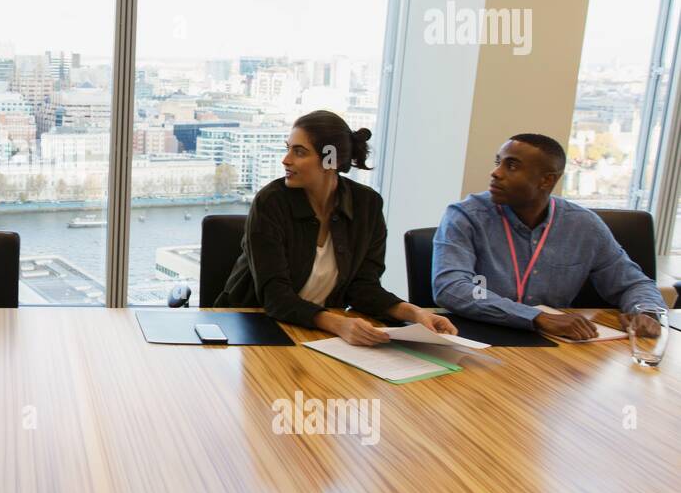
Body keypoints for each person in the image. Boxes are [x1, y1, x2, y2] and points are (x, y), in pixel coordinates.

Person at [215, 110, 457, 345]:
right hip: (252, 327)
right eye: (287, 148)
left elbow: (363, 288)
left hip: (318, 334)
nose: (286, 159)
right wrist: (338, 324)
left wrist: (414, 314)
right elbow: (276, 297)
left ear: (331, 159)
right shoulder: (271, 202)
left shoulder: (367, 205)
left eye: (299, 152)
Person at [432, 133, 665, 339]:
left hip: (555, 346)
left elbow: (633, 283)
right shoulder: (466, 216)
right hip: (480, 336)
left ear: (547, 180)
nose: (495, 172)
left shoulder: (584, 226)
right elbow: (452, 287)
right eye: (498, 162)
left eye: (511, 166)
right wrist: (536, 317)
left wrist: (645, 312)